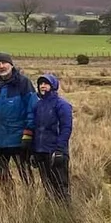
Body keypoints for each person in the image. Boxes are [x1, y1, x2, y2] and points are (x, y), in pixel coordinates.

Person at [0, 52, 36, 188]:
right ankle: (10, 200)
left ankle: (31, 201)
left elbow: (32, 109)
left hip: (19, 138)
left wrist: (28, 133)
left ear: (11, 64)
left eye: (4, 63)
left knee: (25, 174)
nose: (1, 66)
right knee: (0, 174)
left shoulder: (23, 83)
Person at [31, 72, 73, 201]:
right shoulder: (38, 105)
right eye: (40, 84)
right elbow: (36, 128)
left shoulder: (62, 105)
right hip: (41, 151)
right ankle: (51, 214)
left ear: (53, 86)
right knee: (47, 186)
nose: (42, 86)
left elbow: (66, 128)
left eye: (46, 83)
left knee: (60, 186)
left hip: (56, 152)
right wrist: (34, 151)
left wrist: (60, 150)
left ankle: (66, 214)